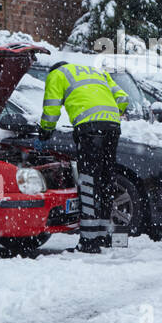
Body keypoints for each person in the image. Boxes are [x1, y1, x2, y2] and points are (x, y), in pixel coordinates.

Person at [38, 60, 129, 252]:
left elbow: (52, 107)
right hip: (112, 126)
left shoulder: (57, 74)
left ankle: (88, 242)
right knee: (106, 178)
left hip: (89, 129)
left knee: (88, 181)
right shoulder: (95, 72)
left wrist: (46, 129)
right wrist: (110, 116)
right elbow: (122, 98)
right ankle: (104, 235)